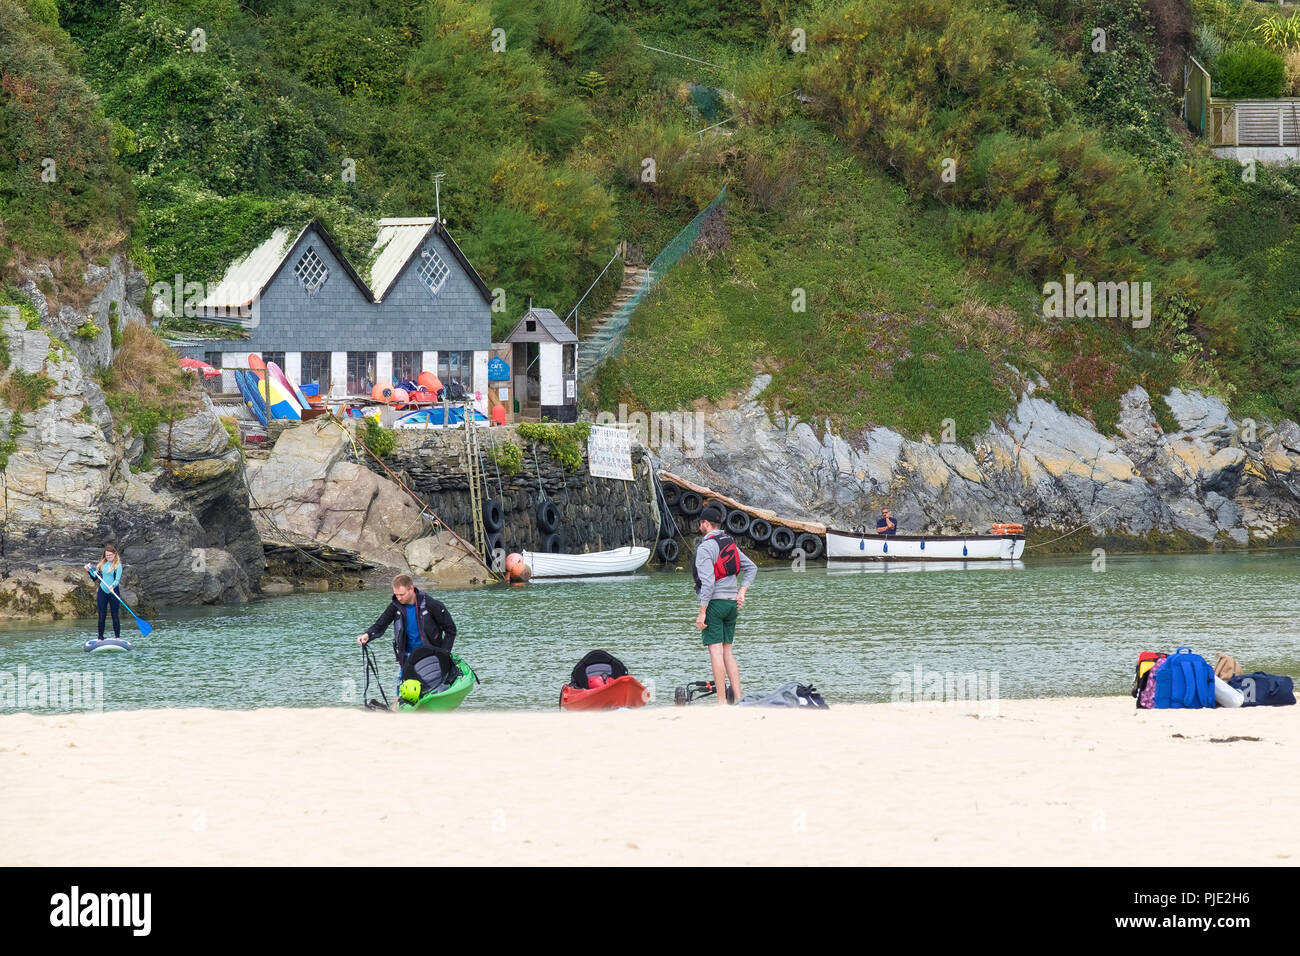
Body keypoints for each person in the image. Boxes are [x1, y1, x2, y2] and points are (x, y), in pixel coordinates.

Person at [693, 504, 757, 706]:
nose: (700, 526)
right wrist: (741, 592)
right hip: (731, 606)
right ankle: (738, 698)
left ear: (705, 524)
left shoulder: (705, 547)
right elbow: (751, 568)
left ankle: (721, 701)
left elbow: (709, 583)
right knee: (728, 652)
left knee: (715, 652)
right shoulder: (729, 542)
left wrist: (702, 612)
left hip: (715, 605)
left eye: (700, 523)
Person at [356, 574, 458, 702]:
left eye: (401, 594)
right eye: (396, 594)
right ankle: (398, 714)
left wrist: (444, 653)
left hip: (431, 657)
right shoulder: (396, 605)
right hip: (407, 659)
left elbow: (450, 630)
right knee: (401, 695)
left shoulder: (432, 605)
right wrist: (367, 635)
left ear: (411, 589)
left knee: (431, 689)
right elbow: (381, 624)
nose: (398, 598)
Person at [85, 544, 124, 642]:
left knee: (115, 615)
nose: (108, 557)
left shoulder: (118, 565)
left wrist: (112, 586)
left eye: (110, 555)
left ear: (115, 554)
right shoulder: (102, 564)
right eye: (107, 555)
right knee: (102, 615)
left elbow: (117, 580)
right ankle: (100, 637)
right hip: (102, 591)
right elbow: (95, 578)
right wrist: (89, 571)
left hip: (113, 591)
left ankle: (117, 637)